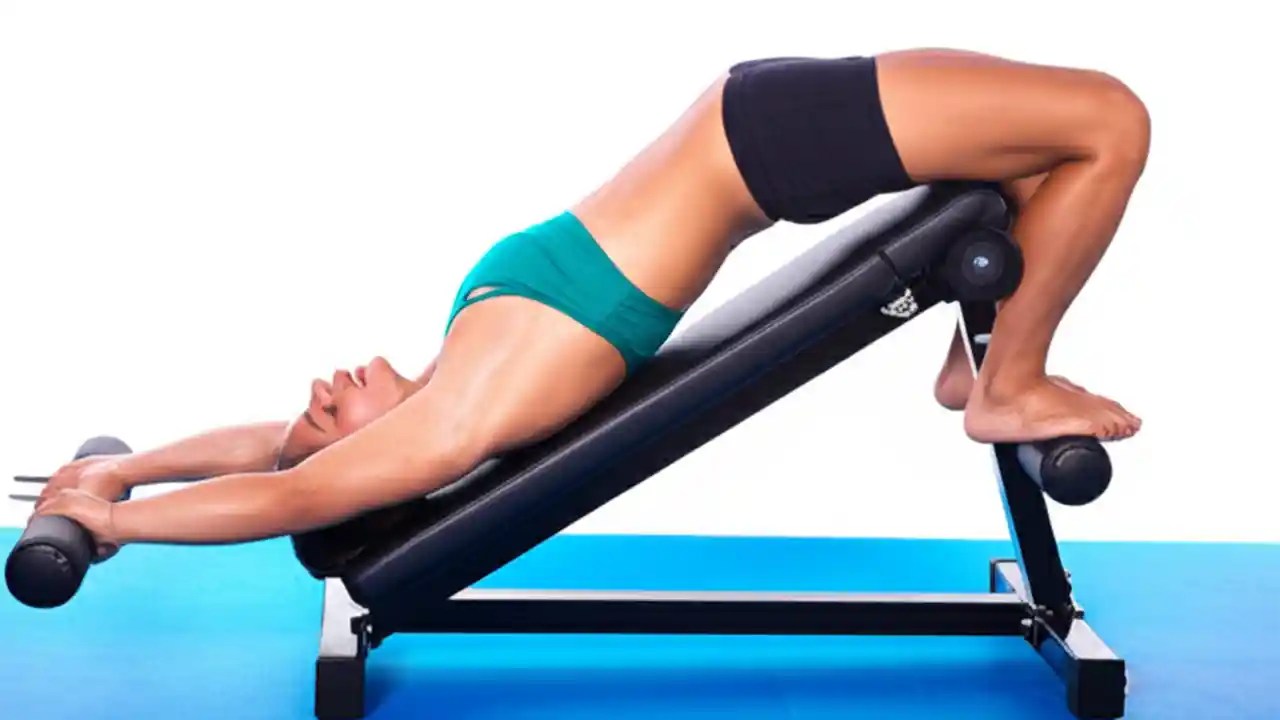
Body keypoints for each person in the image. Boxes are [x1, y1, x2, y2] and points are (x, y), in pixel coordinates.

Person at [33, 49, 1150, 557]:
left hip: (754, 126)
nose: (319, 393)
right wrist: (114, 526)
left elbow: (271, 453)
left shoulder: (447, 378)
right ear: (370, 471)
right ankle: (1004, 385)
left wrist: (127, 469)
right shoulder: (460, 419)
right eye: (328, 420)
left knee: (1036, 163)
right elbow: (289, 496)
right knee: (1108, 121)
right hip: (763, 148)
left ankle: (972, 362)